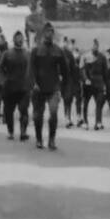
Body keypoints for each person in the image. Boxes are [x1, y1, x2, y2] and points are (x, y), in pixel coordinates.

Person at [28, 22, 68, 150]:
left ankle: (51, 139)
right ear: (43, 34)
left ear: (53, 34)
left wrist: (63, 87)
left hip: (53, 88)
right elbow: (31, 70)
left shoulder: (58, 51)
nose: (49, 34)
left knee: (53, 113)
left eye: (51, 32)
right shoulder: (36, 50)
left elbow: (65, 70)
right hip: (38, 88)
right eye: (47, 32)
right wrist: (33, 84)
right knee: (37, 116)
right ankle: (39, 139)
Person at [0, 30, 31, 140]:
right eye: (17, 38)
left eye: (21, 38)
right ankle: (10, 131)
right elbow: (0, 69)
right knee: (8, 111)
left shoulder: (27, 54)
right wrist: (3, 81)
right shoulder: (7, 54)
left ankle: (23, 132)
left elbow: (32, 70)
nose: (19, 40)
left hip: (23, 88)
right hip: (10, 88)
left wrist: (31, 83)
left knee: (24, 110)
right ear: (14, 40)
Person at [81, 39, 107, 130]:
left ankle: (98, 122)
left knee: (99, 103)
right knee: (85, 103)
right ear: (91, 46)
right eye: (93, 45)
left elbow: (105, 72)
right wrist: (86, 79)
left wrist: (105, 84)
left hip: (99, 82)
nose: (95, 47)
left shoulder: (102, 57)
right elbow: (83, 70)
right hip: (88, 83)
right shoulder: (86, 56)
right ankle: (85, 121)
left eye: (96, 45)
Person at [61, 37, 81, 129]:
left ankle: (68, 118)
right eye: (64, 42)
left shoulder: (70, 54)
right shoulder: (60, 53)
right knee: (66, 99)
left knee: (68, 99)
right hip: (62, 80)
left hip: (71, 80)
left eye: (67, 42)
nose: (66, 44)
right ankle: (66, 118)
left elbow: (74, 67)